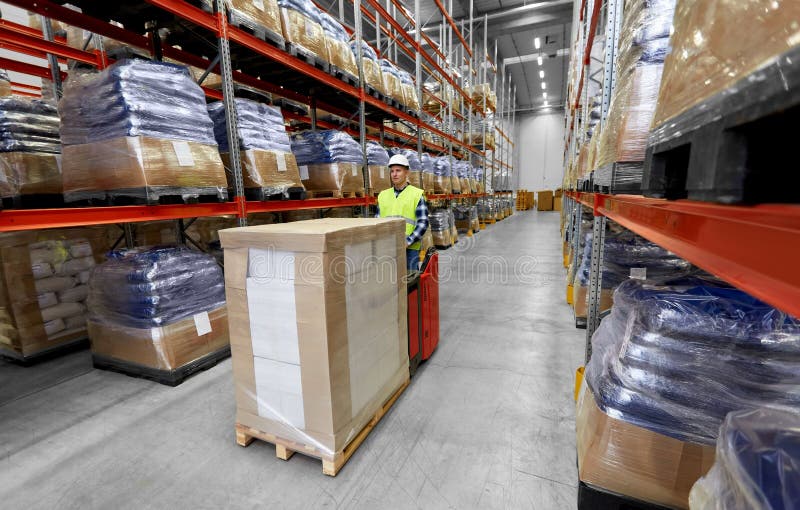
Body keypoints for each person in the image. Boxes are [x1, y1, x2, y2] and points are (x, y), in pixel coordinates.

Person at [376, 154, 429, 271]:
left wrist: (408, 241)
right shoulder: (383, 195)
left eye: (398, 171)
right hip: (387, 248)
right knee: (389, 281)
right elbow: (377, 221)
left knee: (409, 283)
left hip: (410, 249)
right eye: (392, 171)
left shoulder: (416, 194)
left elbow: (423, 222)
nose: (394, 174)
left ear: (407, 172)